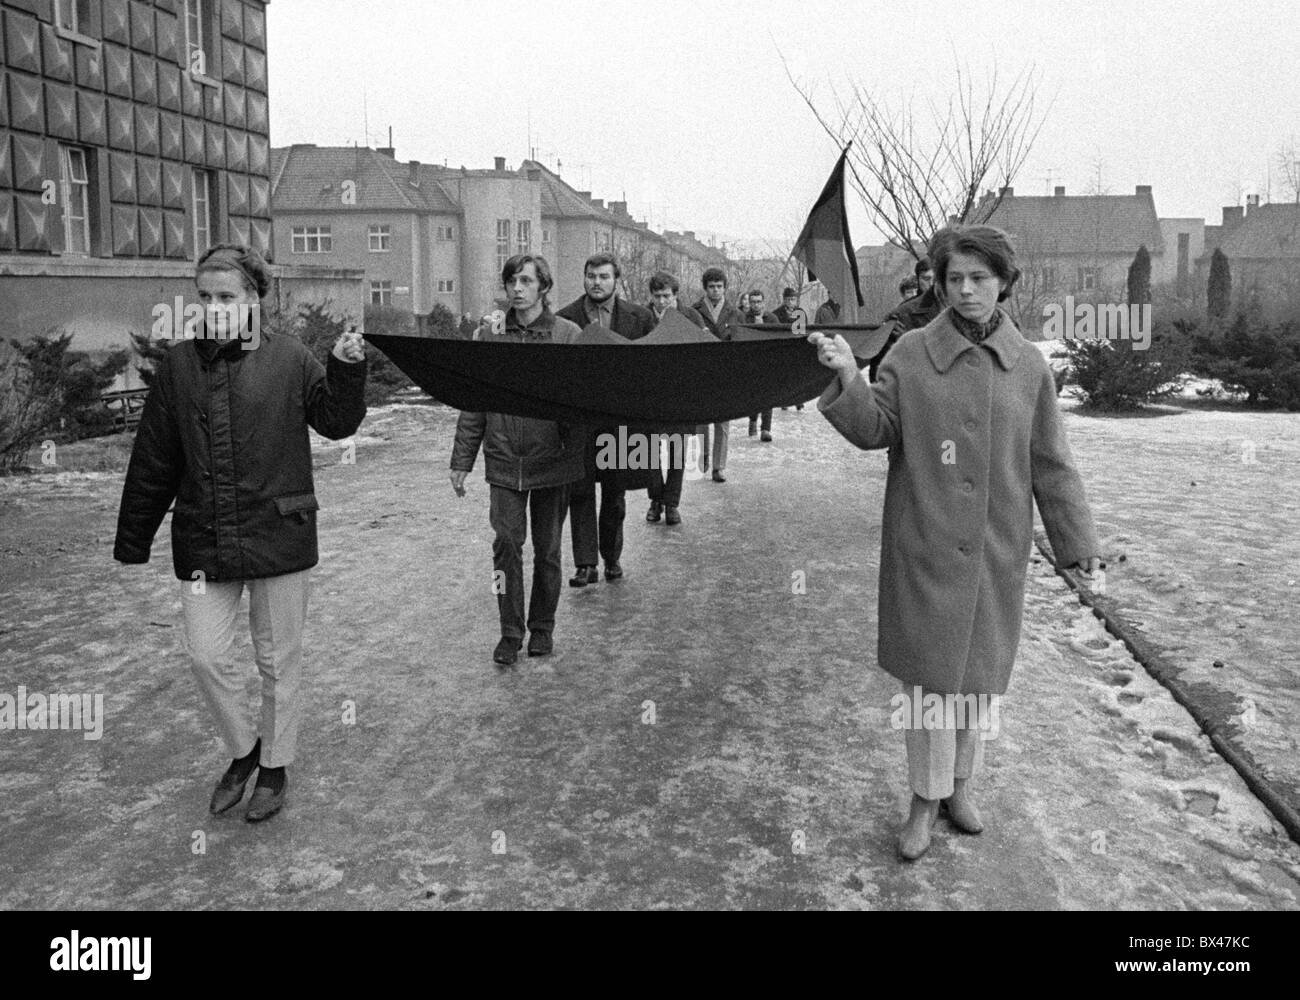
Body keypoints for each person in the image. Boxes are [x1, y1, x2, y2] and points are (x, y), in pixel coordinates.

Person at [808, 225, 1101, 861]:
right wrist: (847, 379)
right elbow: (876, 429)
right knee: (928, 690)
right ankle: (922, 801)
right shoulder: (911, 353)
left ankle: (960, 787)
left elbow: (1051, 460)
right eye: (954, 280)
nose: (966, 291)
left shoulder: (1028, 368)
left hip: (997, 552)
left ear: (1004, 284)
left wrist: (1077, 542)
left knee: (978, 685)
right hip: (925, 545)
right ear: (938, 285)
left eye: (980, 279)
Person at [114, 243, 368, 824]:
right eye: (203, 297)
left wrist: (348, 369)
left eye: (226, 297)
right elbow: (155, 457)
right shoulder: (178, 367)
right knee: (204, 655)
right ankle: (243, 750)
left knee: (278, 661)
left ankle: (275, 767)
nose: (213, 307)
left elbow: (336, 424)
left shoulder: (290, 358)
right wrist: (134, 538)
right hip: (204, 539)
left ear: (255, 298)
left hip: (279, 530)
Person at [450, 254, 586, 665]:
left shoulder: (567, 335)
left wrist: (576, 449)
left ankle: (542, 628)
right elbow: (474, 402)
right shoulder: (490, 336)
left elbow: (585, 400)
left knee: (547, 550)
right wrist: (462, 460)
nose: (518, 288)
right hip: (504, 459)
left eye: (527, 281)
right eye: (512, 280)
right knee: (506, 545)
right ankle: (510, 632)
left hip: (553, 460)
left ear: (543, 287)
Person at [557, 253, 656, 585]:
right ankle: (585, 564)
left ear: (617, 279)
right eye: (590, 276)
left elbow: (654, 368)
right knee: (579, 490)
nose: (596, 282)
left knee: (615, 492)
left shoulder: (640, 318)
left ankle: (611, 556)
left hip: (620, 421)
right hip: (580, 420)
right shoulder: (565, 319)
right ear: (583, 278)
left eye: (603, 276)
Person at [644, 271, 706, 526]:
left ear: (676, 295)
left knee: (676, 451)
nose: (661, 302)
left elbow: (704, 351)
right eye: (657, 296)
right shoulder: (643, 317)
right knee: (648, 451)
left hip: (681, 393)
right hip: (649, 394)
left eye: (666, 296)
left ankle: (671, 504)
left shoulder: (692, 317)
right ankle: (655, 499)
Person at [691, 267, 746, 483]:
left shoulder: (735, 314)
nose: (715, 291)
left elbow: (741, 344)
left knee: (722, 421)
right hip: (701, 372)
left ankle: (718, 467)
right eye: (711, 287)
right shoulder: (694, 311)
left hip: (725, 373)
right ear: (705, 288)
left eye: (719, 287)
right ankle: (703, 457)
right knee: (702, 419)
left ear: (725, 288)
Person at [876, 256, 944, 381]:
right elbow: (881, 368)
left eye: (936, 279)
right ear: (918, 280)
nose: (932, 284)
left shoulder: (961, 309)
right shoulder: (902, 314)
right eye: (926, 279)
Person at [744, 289, 779, 441]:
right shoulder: (744, 318)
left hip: (768, 362)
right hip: (750, 362)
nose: (756, 305)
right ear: (749, 303)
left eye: (759, 302)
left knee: (768, 396)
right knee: (753, 395)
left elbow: (779, 338)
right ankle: (752, 421)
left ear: (763, 302)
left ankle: (766, 429)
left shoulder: (771, 318)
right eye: (753, 302)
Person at [773, 288, 809, 411]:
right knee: (784, 376)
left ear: (796, 300)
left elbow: (805, 331)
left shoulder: (801, 313)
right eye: (788, 299)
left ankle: (799, 401)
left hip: (797, 348)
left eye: (793, 299)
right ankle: (785, 401)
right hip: (782, 348)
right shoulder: (776, 314)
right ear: (784, 300)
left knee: (798, 376)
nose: (790, 302)